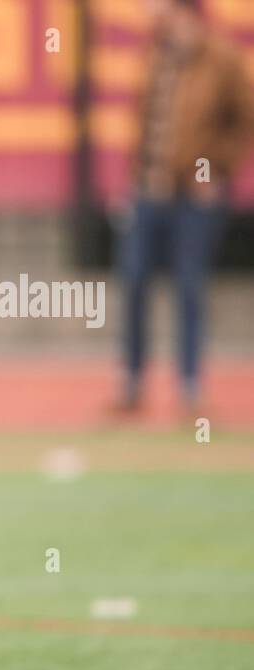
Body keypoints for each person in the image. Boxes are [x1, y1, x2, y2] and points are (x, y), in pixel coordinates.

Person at [114, 0, 254, 415]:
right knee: (135, 281)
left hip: (194, 198)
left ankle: (190, 386)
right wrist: (137, 171)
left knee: (189, 287)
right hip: (149, 191)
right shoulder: (156, 53)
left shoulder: (223, 60)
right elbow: (146, 119)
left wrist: (214, 171)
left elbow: (244, 123)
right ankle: (132, 383)